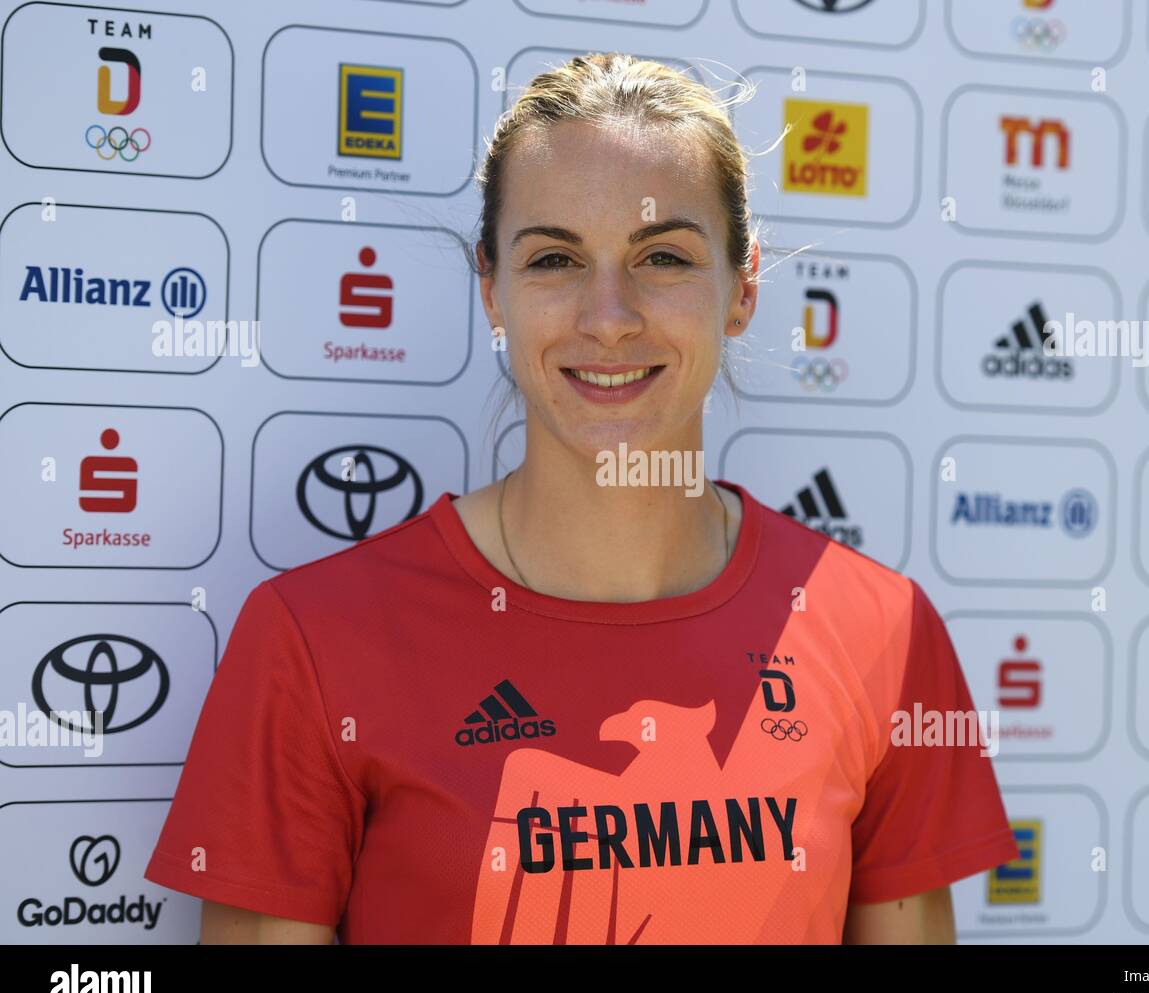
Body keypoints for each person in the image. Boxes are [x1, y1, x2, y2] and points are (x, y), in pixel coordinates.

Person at [144, 52, 1018, 945]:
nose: (609, 317)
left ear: (744, 288)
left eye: (663, 257)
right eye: (555, 259)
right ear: (492, 291)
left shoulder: (880, 633)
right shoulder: (315, 642)